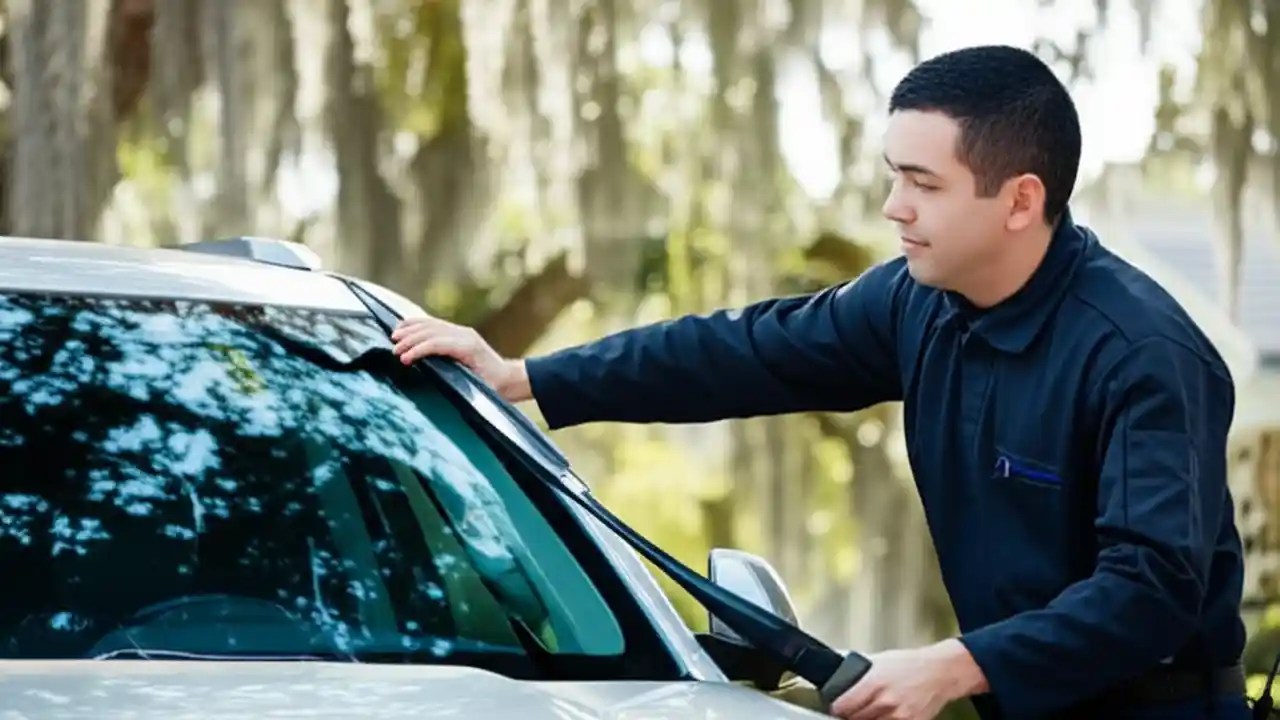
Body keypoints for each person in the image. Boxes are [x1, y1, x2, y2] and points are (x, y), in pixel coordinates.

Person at [390, 44, 1252, 720]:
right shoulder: (917, 302)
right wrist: (527, 377)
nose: (893, 208)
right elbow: (741, 351)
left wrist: (953, 666)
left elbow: (1152, 589)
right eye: (891, 175)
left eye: (922, 183)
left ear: (1020, 201)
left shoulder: (1143, 354)